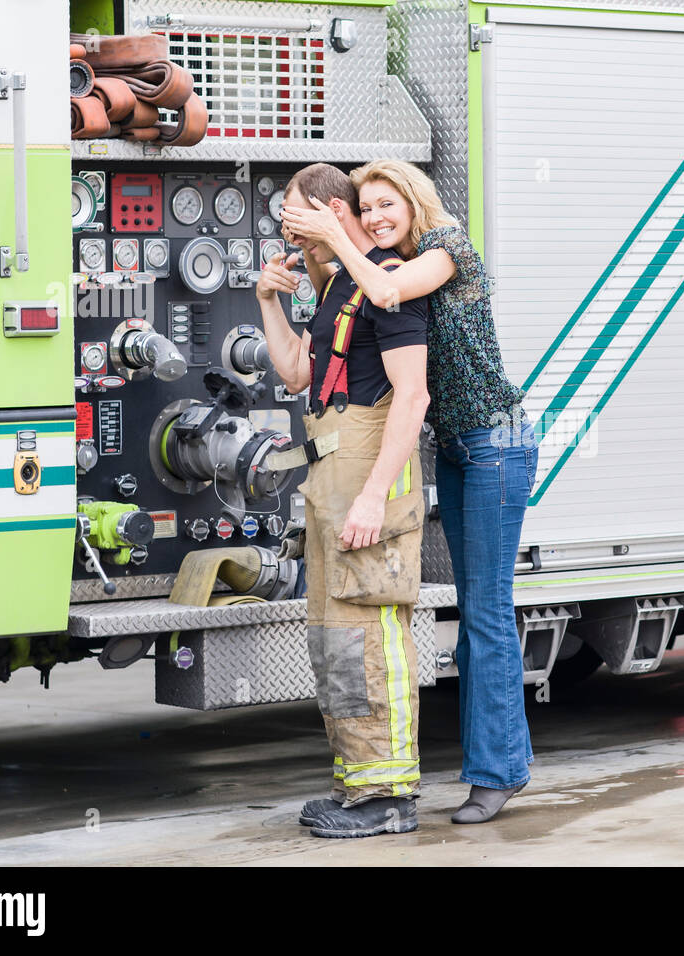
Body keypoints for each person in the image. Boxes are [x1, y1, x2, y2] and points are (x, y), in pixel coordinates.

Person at [282, 159, 538, 825]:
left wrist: (335, 233)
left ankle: (497, 774)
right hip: (456, 445)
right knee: (473, 614)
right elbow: (357, 296)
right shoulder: (387, 262)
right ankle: (493, 764)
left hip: (494, 442)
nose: (375, 217)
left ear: (413, 198)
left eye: (385, 203)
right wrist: (313, 262)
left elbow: (385, 294)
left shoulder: (444, 249)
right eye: (363, 207)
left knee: (484, 612)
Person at [255, 162, 430, 838]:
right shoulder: (337, 286)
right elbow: (299, 371)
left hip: (368, 478)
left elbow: (411, 398)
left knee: (371, 632)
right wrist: (268, 299)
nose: (289, 231)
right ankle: (358, 787)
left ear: (332, 210)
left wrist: (372, 498)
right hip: (331, 471)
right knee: (335, 636)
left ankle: (390, 796)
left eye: (297, 218)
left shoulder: (389, 286)